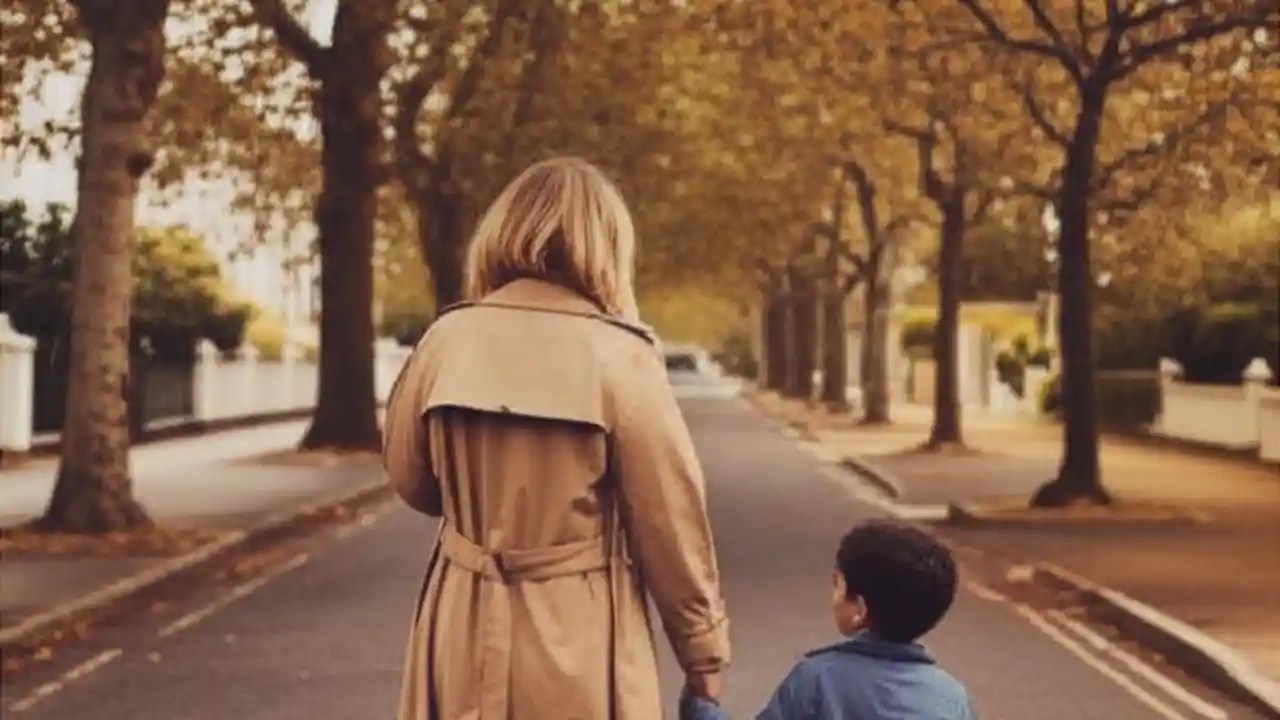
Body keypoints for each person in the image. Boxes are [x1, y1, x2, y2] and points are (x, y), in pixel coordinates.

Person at [383, 157, 730, 719]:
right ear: (606, 244)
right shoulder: (620, 355)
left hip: (460, 617)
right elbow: (670, 522)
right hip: (580, 629)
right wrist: (703, 656)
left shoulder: (446, 339)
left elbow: (411, 479)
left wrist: (487, 509)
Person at [681, 521, 974, 720]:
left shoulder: (818, 679)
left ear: (859, 608)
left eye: (838, 585)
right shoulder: (953, 699)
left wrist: (700, 706)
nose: (833, 594)